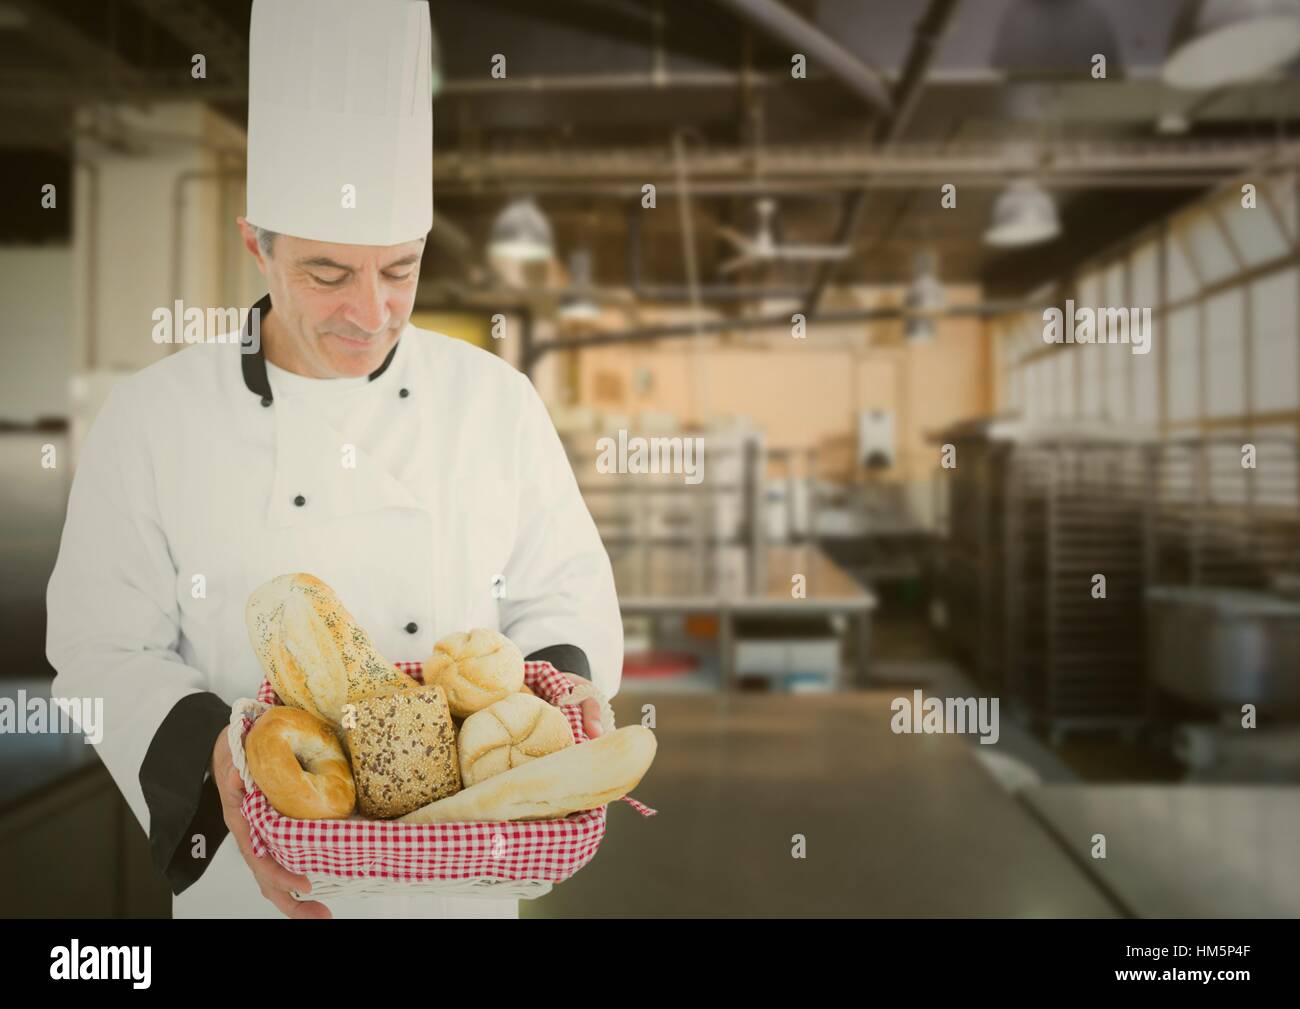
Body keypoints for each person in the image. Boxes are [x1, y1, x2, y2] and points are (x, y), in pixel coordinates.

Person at [45, 0, 622, 919]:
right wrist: (216, 761)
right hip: (258, 883)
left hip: (462, 885)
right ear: (256, 246)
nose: (370, 313)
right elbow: (99, 644)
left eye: (399, 270)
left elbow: (560, 593)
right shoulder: (153, 420)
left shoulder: (494, 404)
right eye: (326, 274)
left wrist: (570, 689)